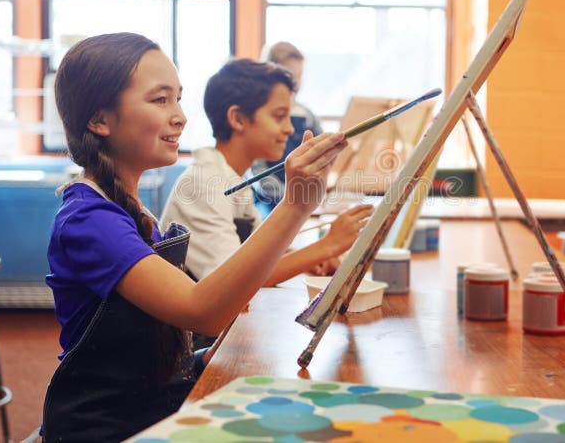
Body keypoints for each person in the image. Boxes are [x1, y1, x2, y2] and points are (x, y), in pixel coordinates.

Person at [41, 33, 347, 442]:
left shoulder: (131, 210)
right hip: (109, 426)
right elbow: (202, 310)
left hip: (148, 405)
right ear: (100, 120)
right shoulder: (89, 219)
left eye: (179, 98)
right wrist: (295, 206)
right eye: (160, 99)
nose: (180, 116)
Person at [160, 58, 372, 286]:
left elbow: (261, 255)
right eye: (279, 116)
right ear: (238, 119)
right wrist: (327, 246)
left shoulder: (233, 179)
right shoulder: (203, 184)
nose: (289, 129)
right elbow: (235, 281)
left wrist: (312, 259)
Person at [251, 41, 323, 212]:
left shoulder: (306, 115)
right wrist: (291, 198)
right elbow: (258, 175)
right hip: (267, 204)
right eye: (291, 77)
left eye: (300, 77)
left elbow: (324, 152)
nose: (296, 85)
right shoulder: (256, 115)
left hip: (298, 201)